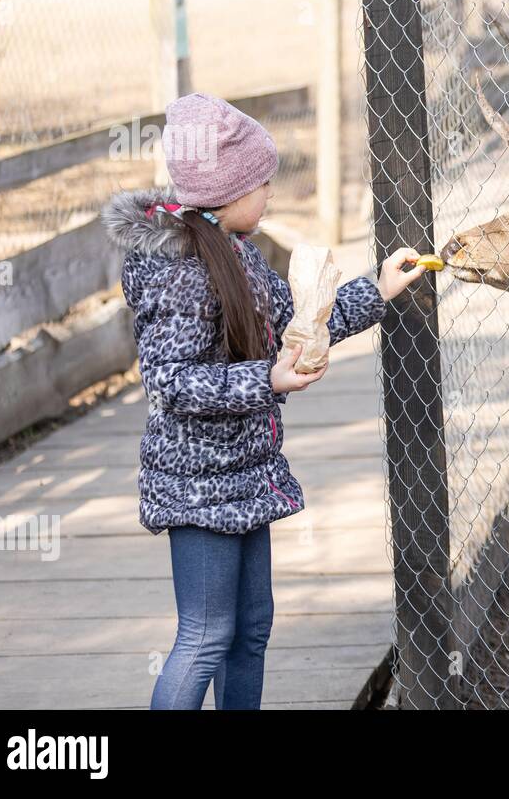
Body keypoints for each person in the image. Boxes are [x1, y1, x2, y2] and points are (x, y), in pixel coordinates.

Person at [101, 93, 426, 709]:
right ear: (226, 190)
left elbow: (299, 319)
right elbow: (171, 382)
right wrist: (265, 381)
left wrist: (379, 289)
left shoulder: (237, 253)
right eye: (262, 182)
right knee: (204, 637)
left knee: (250, 631)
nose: (271, 193)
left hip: (243, 476)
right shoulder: (178, 270)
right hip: (197, 484)